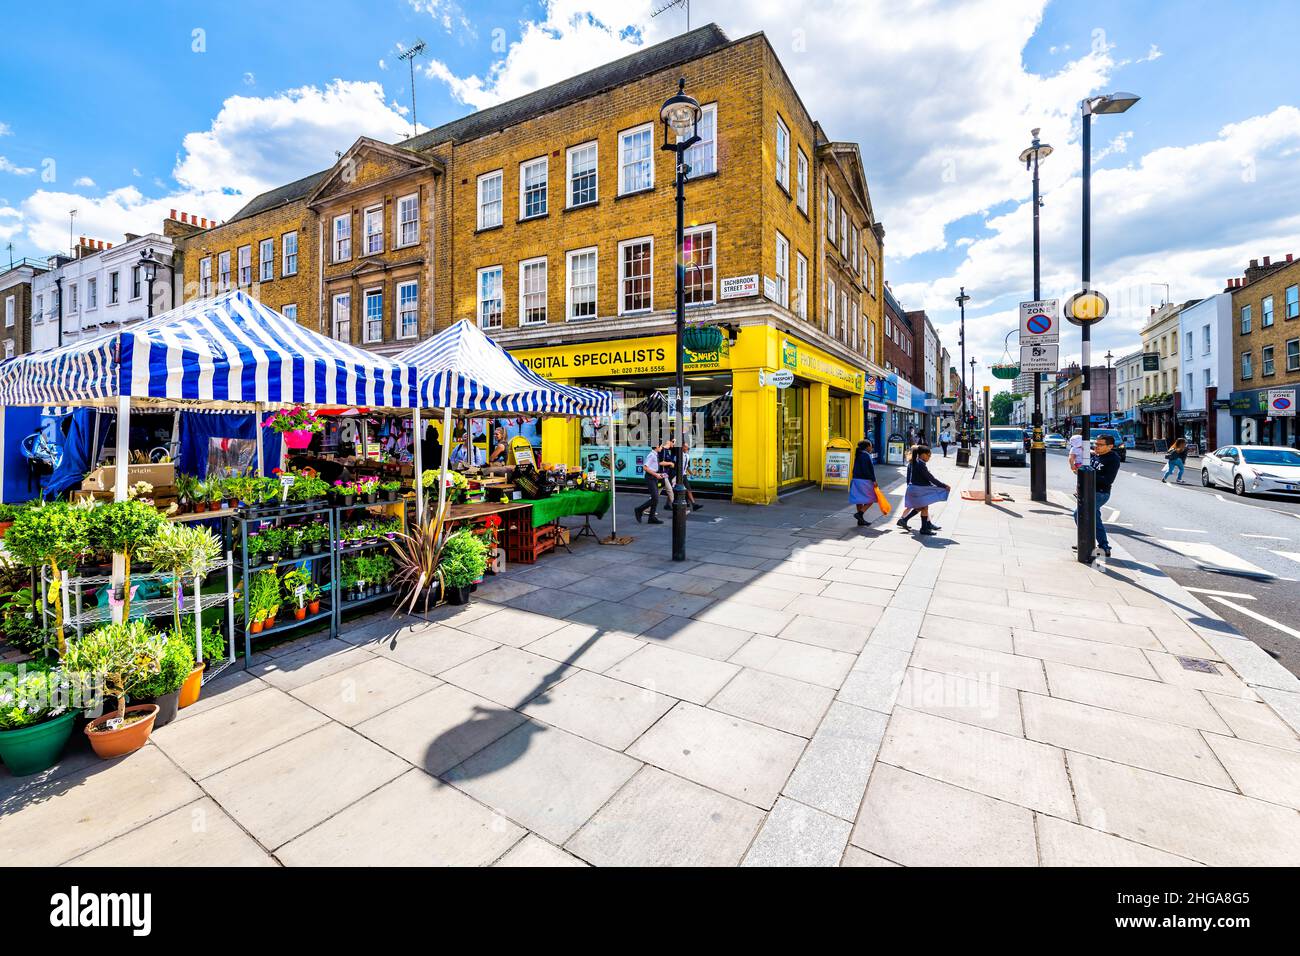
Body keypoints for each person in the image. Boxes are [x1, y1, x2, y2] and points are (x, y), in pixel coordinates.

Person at [1075, 432, 1120, 559]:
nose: (1097, 446)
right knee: (1095, 519)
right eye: (1096, 443)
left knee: (1079, 514)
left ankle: (1088, 542)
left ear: (1110, 446)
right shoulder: (1094, 455)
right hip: (1088, 491)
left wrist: (1089, 476)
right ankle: (1102, 546)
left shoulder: (1113, 459)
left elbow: (1108, 480)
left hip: (1100, 493)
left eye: (1100, 444)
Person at [896, 444, 950, 536]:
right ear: (922, 455)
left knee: (923, 507)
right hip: (918, 489)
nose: (929, 457)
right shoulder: (920, 464)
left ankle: (909, 522)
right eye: (928, 455)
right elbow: (930, 478)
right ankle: (923, 528)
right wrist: (943, 485)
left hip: (914, 488)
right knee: (923, 507)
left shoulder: (915, 462)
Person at [635, 440, 666, 524]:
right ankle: (639, 509)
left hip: (654, 477)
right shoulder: (651, 455)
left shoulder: (655, 454)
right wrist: (656, 475)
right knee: (655, 498)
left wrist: (659, 474)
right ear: (656, 446)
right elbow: (645, 467)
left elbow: (653, 467)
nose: (662, 447)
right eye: (661, 446)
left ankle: (651, 518)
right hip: (650, 478)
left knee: (655, 499)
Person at [849, 439, 879, 526]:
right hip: (864, 480)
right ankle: (860, 514)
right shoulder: (866, 455)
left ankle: (860, 520)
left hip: (856, 480)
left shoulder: (858, 454)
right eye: (871, 446)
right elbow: (869, 470)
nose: (871, 448)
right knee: (872, 498)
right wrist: (874, 480)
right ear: (867, 447)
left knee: (859, 500)